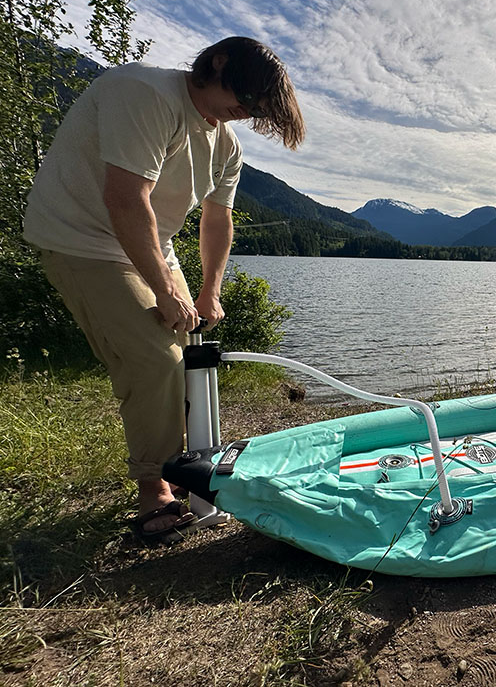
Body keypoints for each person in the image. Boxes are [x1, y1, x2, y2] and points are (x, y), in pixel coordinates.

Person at [23, 36, 305, 544]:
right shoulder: (145, 92)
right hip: (82, 236)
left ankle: (179, 463)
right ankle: (154, 489)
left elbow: (218, 221)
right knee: (156, 358)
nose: (247, 112)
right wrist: (164, 291)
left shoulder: (226, 144)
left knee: (188, 350)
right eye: (247, 97)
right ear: (218, 62)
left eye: (257, 108)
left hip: (151, 241)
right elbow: (126, 199)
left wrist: (207, 292)